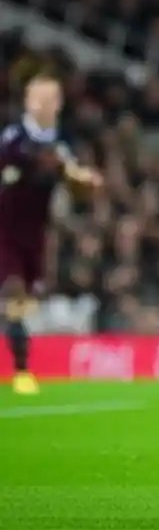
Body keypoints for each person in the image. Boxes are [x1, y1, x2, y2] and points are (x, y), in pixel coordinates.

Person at [1, 73, 102, 394]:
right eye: (38, 97)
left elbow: (75, 180)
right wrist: (56, 165)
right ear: (28, 102)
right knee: (14, 292)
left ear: (58, 104)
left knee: (25, 302)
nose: (45, 104)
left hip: (37, 236)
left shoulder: (61, 144)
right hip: (5, 231)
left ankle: (21, 362)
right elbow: (26, 158)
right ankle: (21, 371)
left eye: (51, 98)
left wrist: (83, 182)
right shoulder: (14, 137)